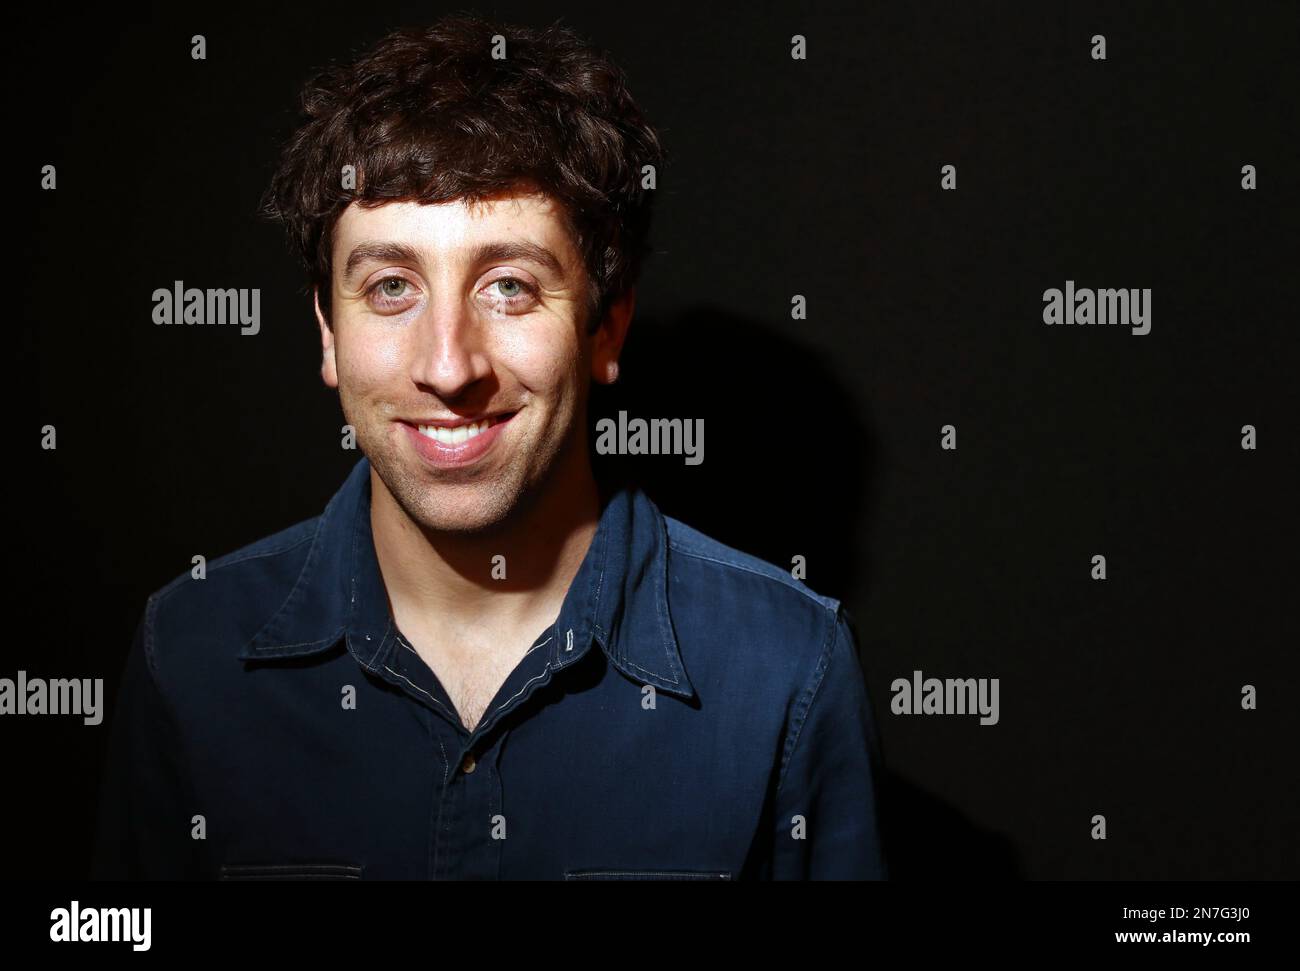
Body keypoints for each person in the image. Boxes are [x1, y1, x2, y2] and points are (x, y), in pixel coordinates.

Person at [91, 13, 887, 880]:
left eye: (509, 286)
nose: (448, 366)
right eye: (391, 286)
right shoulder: (191, 651)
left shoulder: (787, 670)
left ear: (605, 325)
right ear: (327, 331)